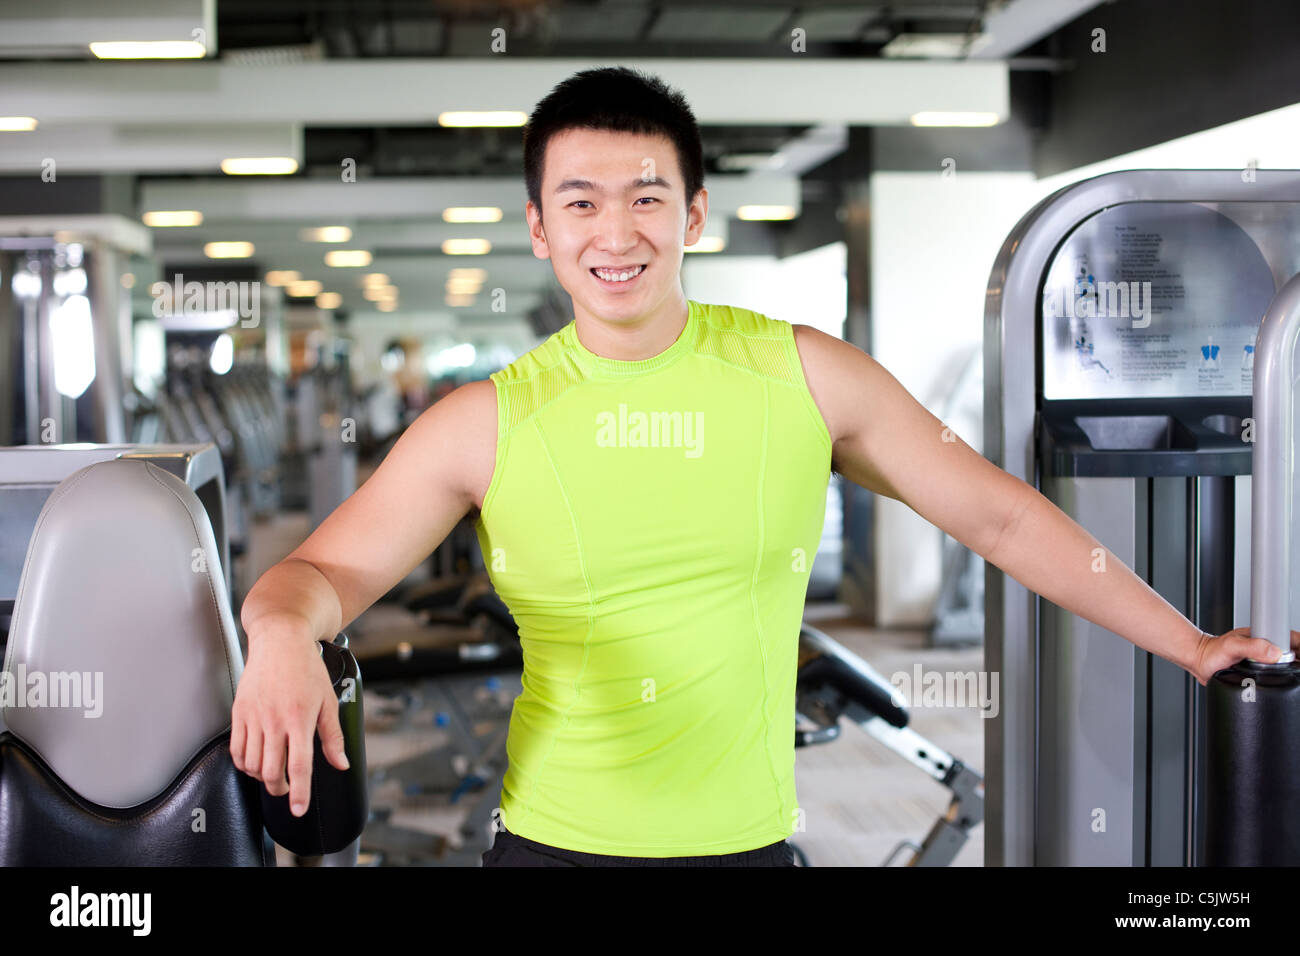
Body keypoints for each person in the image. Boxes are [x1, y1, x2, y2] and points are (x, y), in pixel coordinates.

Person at [233, 66, 1298, 868]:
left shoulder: (804, 374)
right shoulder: (484, 421)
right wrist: (281, 628)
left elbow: (1002, 519)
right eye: (581, 201)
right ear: (539, 228)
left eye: (647, 196)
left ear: (694, 213)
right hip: (551, 845)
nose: (617, 231)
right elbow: (315, 576)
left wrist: (1194, 641)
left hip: (750, 848)